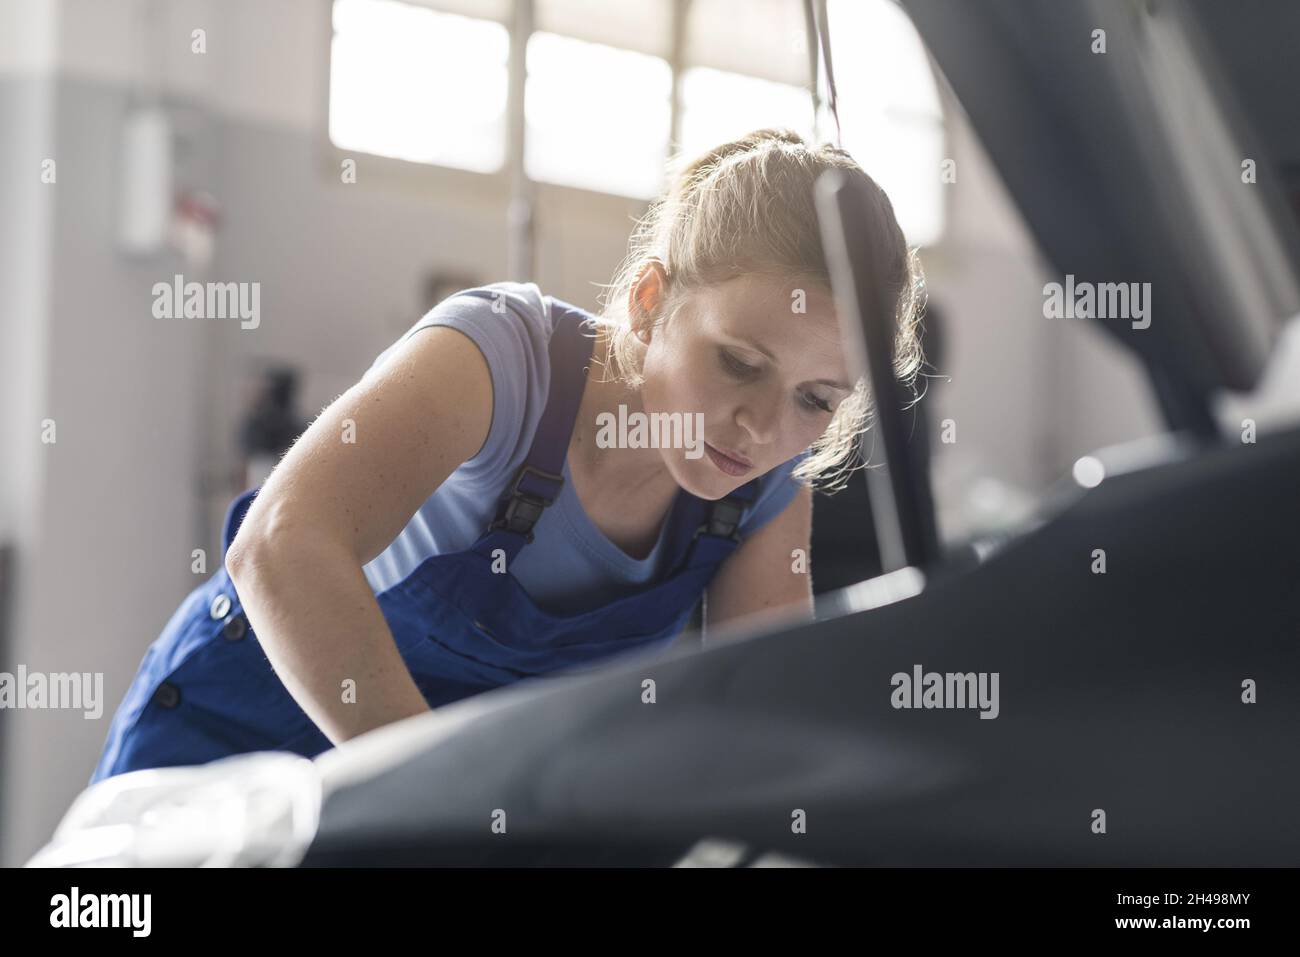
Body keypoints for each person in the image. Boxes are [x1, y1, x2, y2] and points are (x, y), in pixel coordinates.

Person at [90, 128, 924, 783]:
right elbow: (278, 546)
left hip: (425, 812)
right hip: (225, 748)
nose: (759, 427)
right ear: (650, 299)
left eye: (817, 399)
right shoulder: (503, 358)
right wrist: (436, 802)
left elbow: (758, 731)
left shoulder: (764, 494)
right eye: (740, 361)